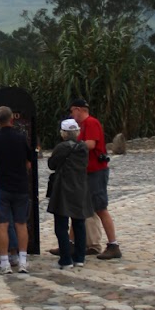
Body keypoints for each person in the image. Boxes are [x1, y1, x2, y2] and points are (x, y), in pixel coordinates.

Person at [69, 97, 121, 259]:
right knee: (79, 206)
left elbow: (91, 144)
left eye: (72, 111)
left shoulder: (91, 123)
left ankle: (113, 244)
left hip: (96, 172)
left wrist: (71, 146)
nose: (72, 115)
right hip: (87, 172)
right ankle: (71, 243)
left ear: (78, 109)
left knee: (100, 207)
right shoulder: (83, 125)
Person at [0, 105, 33, 275]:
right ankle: (22, 261)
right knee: (21, 224)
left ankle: (4, 262)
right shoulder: (21, 138)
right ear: (12, 118)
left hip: (1, 187)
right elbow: (29, 162)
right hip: (21, 186)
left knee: (2, 225)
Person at [47, 118, 93, 268]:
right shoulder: (83, 148)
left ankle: (65, 258)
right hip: (80, 187)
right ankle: (79, 257)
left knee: (61, 225)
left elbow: (52, 164)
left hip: (63, 188)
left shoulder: (62, 148)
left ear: (64, 133)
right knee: (79, 223)